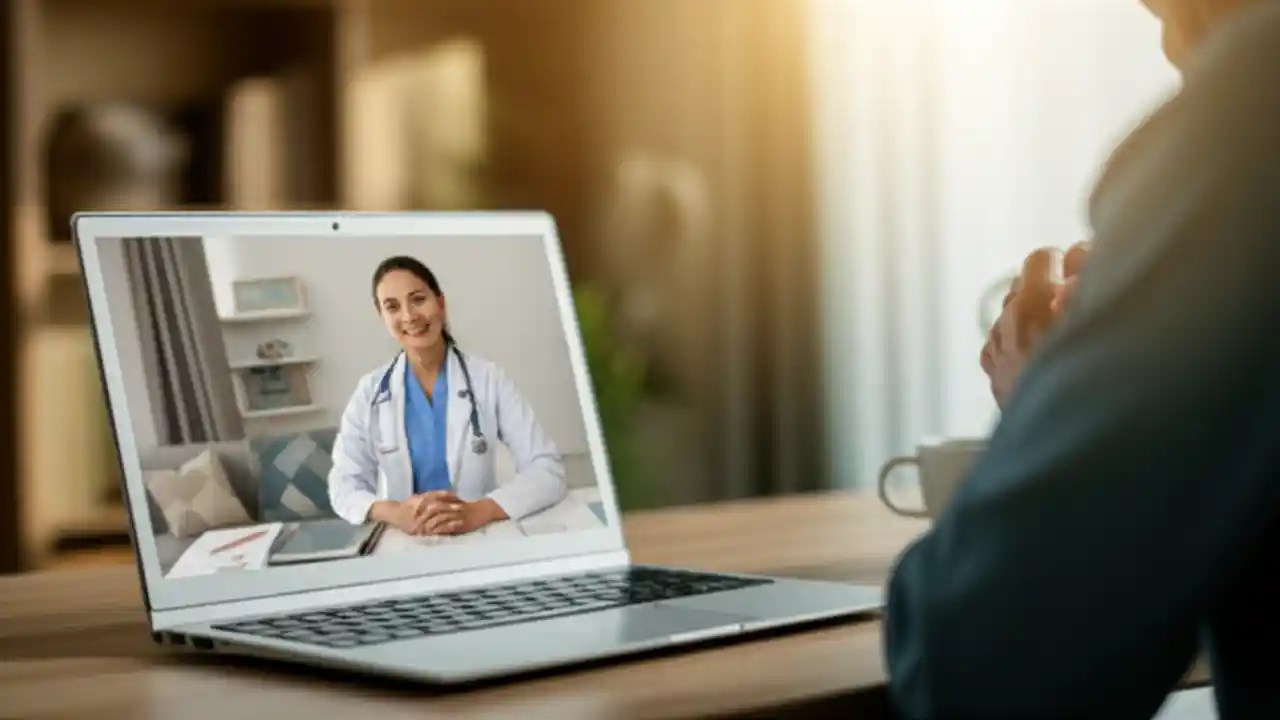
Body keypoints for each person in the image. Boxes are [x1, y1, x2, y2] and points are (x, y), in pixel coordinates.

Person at [884, 0, 1280, 717]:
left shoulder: (1256, 102)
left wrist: (1059, 408)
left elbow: (979, 669)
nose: (1171, 47)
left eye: (1165, 12)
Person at [328, 256, 566, 536]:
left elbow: (547, 470)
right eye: (392, 307)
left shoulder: (489, 379)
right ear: (383, 317)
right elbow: (343, 486)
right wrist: (394, 512)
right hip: (404, 541)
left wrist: (480, 511)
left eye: (418, 299)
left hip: (479, 535)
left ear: (440, 304)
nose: (409, 316)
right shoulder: (369, 392)